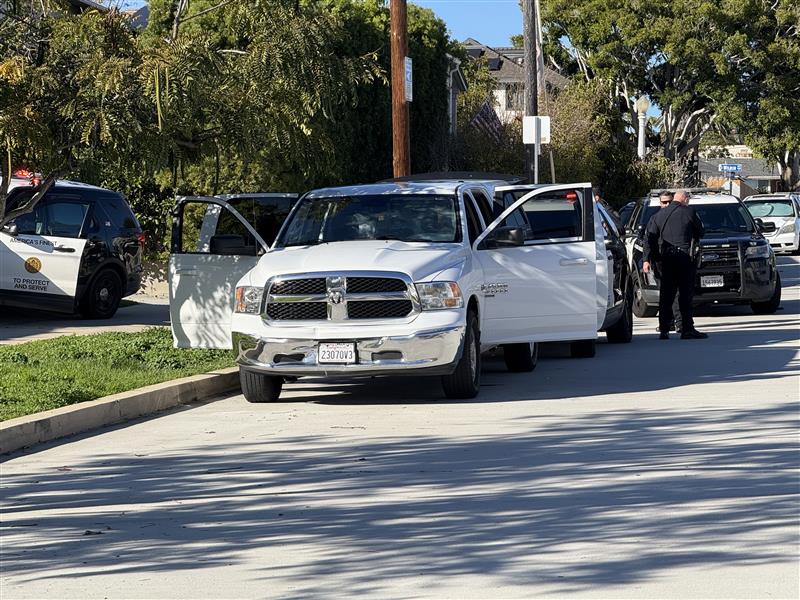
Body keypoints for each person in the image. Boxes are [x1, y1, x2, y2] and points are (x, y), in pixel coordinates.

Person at [642, 189, 708, 340]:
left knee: (666, 295)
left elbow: (650, 239)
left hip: (666, 259)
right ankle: (687, 329)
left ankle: (664, 329)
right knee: (685, 294)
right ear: (685, 199)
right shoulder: (689, 212)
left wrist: (654, 258)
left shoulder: (657, 216)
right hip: (685, 258)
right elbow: (701, 232)